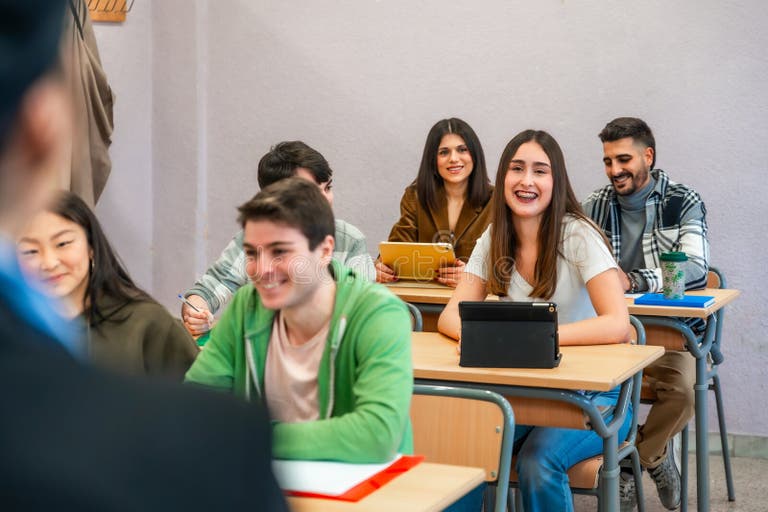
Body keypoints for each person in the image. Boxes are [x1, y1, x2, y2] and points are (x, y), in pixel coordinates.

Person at [0, 2, 287, 509]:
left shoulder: (360, 297)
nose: (49, 260)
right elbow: (213, 299)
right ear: (43, 130)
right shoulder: (200, 445)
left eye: (63, 243)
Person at [438, 129, 631, 511]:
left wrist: (531, 338)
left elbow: (617, 324)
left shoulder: (578, 235)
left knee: (538, 462)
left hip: (597, 397)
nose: (527, 181)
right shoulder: (495, 236)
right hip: (526, 389)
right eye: (517, 169)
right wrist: (482, 340)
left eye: (540, 171)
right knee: (465, 450)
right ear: (503, 178)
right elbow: (449, 317)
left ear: (555, 182)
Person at [185, 177, 413, 463]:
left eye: (280, 251)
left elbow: (376, 435)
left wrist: (251, 435)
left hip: (365, 489)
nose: (263, 269)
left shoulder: (378, 313)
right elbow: (194, 408)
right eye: (252, 253)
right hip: (269, 483)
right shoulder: (246, 306)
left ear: (325, 251)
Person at [582, 116, 709, 511]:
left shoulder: (682, 200)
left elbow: (696, 266)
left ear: (647, 156)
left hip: (670, 334)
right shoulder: (594, 206)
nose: (614, 170)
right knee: (569, 391)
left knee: (684, 393)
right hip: (613, 337)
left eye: (623, 159)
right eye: (607, 161)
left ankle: (639, 459)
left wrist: (633, 281)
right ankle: (645, 456)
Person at [182, 140, 375, 337]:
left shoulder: (349, 240)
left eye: (327, 188)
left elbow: (364, 310)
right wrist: (196, 312)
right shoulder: (253, 239)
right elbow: (211, 286)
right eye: (310, 193)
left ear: (326, 249)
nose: (324, 200)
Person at [17, 191, 198, 379]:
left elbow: (202, 397)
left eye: (63, 243)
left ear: (91, 247)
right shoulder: (12, 331)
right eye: (29, 251)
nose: (49, 263)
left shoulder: (145, 322)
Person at [377, 117, 493, 287]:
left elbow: (511, 262)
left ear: (474, 155)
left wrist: (474, 276)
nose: (453, 158)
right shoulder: (415, 196)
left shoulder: (497, 200)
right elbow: (397, 248)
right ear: (433, 159)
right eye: (444, 152)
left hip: (477, 301)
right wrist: (382, 267)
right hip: (428, 298)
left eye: (462, 150)